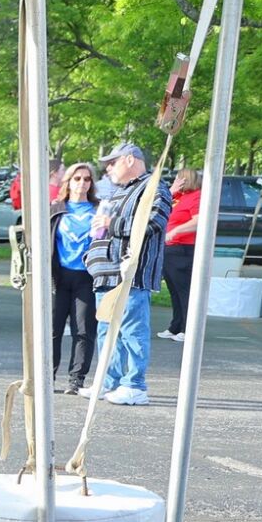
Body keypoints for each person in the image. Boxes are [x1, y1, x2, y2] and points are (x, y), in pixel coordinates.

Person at [83, 142, 171, 407]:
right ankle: (108, 380)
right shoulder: (120, 191)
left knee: (131, 328)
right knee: (106, 329)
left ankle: (134, 385)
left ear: (130, 160)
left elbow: (154, 222)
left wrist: (112, 224)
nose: (108, 168)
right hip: (106, 272)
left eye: (113, 162)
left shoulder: (154, 187)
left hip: (131, 273)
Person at [49, 162, 101, 394]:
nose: (82, 183)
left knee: (83, 330)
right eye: (77, 178)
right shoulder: (56, 208)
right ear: (68, 182)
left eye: (87, 179)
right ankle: (46, 377)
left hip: (86, 277)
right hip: (59, 277)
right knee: (52, 329)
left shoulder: (99, 209)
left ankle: (76, 380)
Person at [160, 168, 201, 342]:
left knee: (184, 291)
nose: (176, 181)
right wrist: (171, 191)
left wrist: (177, 231)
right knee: (174, 291)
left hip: (183, 249)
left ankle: (187, 328)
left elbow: (198, 220)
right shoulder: (177, 197)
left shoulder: (196, 197)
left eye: (179, 179)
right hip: (169, 248)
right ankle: (176, 325)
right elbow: (159, 206)